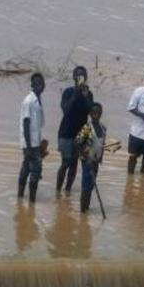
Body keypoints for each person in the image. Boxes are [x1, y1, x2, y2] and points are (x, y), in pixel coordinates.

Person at [55, 66, 94, 195]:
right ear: (73, 77)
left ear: (86, 78)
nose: (80, 78)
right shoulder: (67, 92)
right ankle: (58, 191)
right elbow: (65, 110)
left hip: (81, 133)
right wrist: (76, 94)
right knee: (65, 162)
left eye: (82, 75)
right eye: (78, 75)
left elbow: (91, 112)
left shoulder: (88, 93)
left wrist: (84, 96)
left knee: (74, 165)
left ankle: (67, 192)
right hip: (66, 132)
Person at [18, 73, 45, 203]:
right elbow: (26, 123)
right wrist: (28, 146)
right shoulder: (28, 101)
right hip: (30, 143)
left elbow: (37, 125)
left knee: (27, 168)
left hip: (35, 142)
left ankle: (20, 198)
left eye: (42, 83)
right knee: (35, 172)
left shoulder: (38, 100)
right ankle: (31, 204)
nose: (40, 85)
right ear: (32, 85)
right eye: (37, 83)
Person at [75, 102, 106, 214]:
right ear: (90, 114)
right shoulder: (87, 127)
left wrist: (101, 158)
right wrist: (83, 153)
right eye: (93, 113)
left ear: (101, 113)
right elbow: (77, 142)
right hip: (87, 161)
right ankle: (82, 212)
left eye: (98, 113)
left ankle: (86, 209)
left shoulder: (103, 128)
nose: (96, 115)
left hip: (96, 161)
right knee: (86, 186)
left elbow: (102, 144)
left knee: (91, 186)